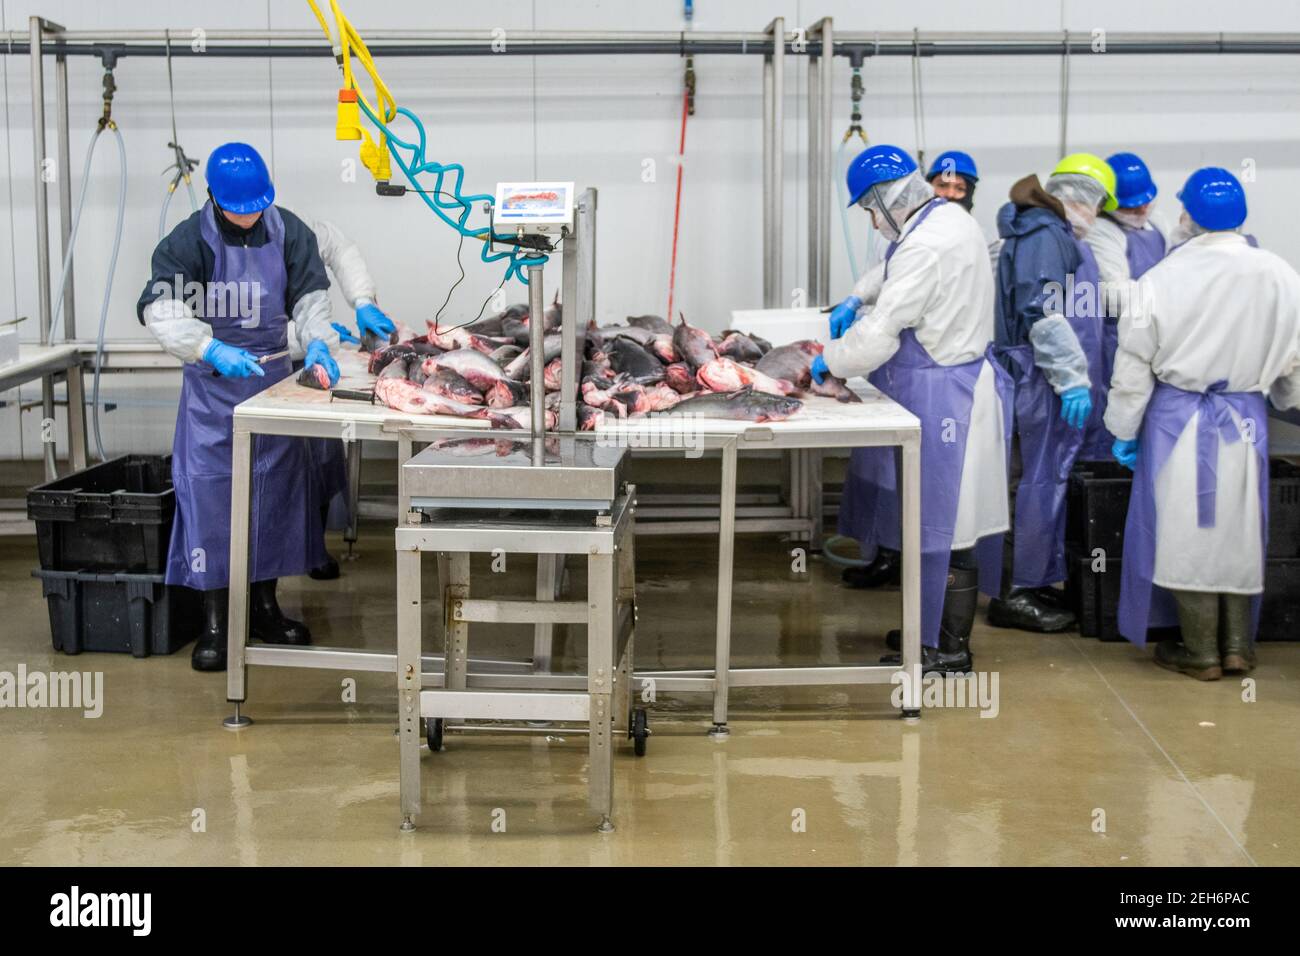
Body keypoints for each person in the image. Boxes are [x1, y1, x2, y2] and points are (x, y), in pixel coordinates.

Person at [136, 142, 340, 672]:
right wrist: (209, 349)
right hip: (212, 395)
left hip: (273, 383)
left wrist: (317, 340)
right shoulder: (187, 241)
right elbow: (160, 308)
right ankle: (216, 622)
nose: (251, 215)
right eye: (240, 207)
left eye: (257, 205)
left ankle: (267, 608)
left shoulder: (289, 230)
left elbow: (311, 298)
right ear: (215, 199)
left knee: (274, 496)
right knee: (212, 501)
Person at [815, 144, 1012, 673]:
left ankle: (947, 649)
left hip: (949, 398)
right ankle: (931, 631)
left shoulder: (928, 244)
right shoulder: (942, 219)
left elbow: (881, 335)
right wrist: (857, 297)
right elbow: (890, 268)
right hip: (950, 388)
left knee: (950, 528)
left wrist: (829, 360)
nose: (871, 221)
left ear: (883, 198)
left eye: (867, 209)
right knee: (935, 525)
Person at [1107, 167, 1300, 679]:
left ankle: (1200, 651)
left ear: (1189, 216)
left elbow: (1132, 367)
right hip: (1247, 422)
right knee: (1238, 531)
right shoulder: (1279, 274)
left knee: (1184, 535)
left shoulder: (1161, 279)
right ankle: (1238, 647)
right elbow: (1293, 363)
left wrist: (1124, 430)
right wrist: (1283, 397)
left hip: (1181, 422)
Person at [987, 154, 1116, 631]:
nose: (1095, 218)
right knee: (1036, 485)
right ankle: (1018, 593)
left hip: (1044, 381)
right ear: (1080, 202)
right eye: (1096, 207)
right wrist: (1072, 379)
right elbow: (1041, 311)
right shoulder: (1046, 234)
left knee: (1039, 483)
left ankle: (1031, 581)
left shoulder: (1046, 232)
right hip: (1040, 381)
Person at [290, 220, 395, 580]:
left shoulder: (298, 229)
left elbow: (340, 249)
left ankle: (314, 549)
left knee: (321, 458)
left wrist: (362, 301)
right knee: (283, 467)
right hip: (271, 361)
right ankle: (285, 555)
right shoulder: (242, 252)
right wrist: (301, 337)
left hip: (317, 361)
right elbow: (247, 325)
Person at [1084, 152, 1168, 440]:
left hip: (1158, 338)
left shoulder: (1159, 226)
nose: (1142, 209)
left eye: (1146, 202)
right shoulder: (1100, 232)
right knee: (1120, 416)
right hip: (1117, 342)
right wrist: (1170, 298)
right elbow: (1114, 295)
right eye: (1132, 208)